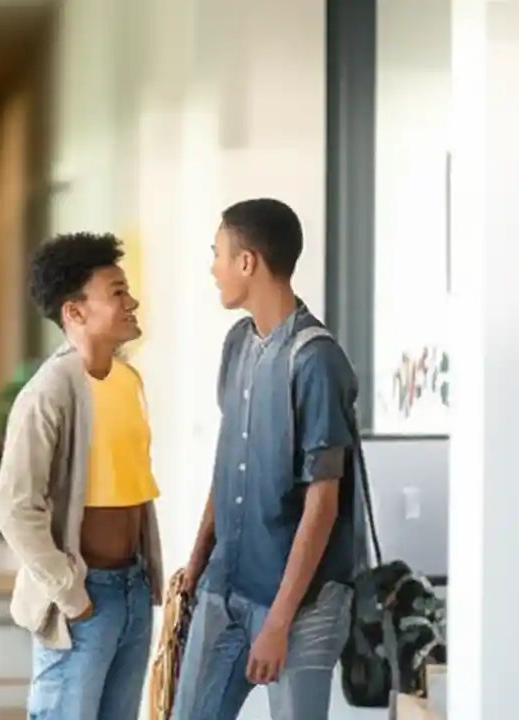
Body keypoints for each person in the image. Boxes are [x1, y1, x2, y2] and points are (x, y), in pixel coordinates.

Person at [172, 198, 359, 719]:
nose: (214, 269)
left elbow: (323, 503)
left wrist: (278, 623)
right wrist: (197, 561)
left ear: (247, 262)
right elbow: (228, 461)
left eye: (218, 254)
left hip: (301, 605)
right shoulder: (236, 344)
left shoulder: (317, 360)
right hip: (224, 584)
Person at [0, 232, 164, 720]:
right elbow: (12, 506)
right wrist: (71, 594)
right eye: (116, 292)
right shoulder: (47, 393)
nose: (132, 302)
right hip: (86, 599)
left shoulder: (129, 380)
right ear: (75, 312)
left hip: (132, 590)